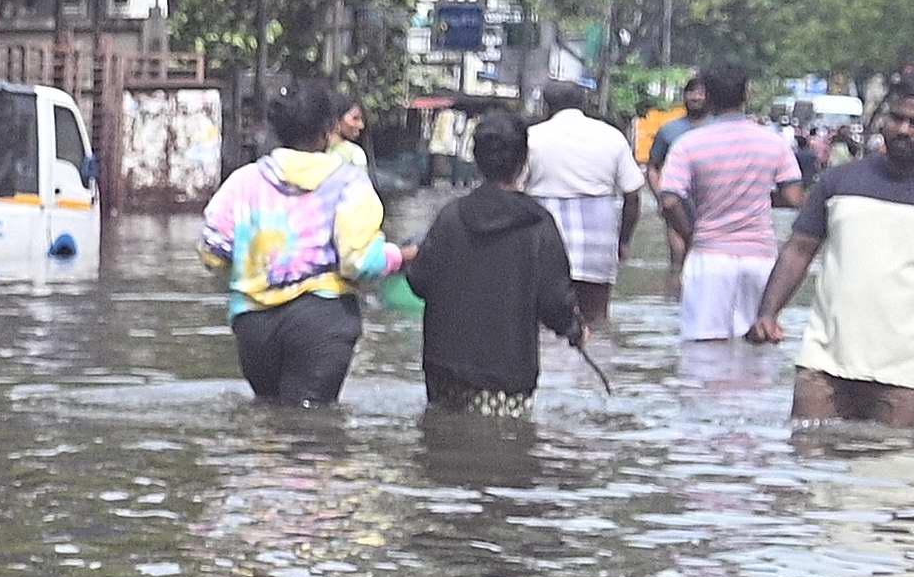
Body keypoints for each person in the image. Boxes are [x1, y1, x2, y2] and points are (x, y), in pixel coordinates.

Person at [748, 72, 914, 426]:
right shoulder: (838, 182)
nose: (903, 130)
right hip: (824, 362)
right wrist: (768, 313)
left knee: (898, 469)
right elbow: (799, 249)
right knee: (809, 467)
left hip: (907, 372)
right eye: (896, 118)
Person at [199, 79, 398, 406]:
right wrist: (397, 256)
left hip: (253, 325)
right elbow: (359, 262)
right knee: (311, 429)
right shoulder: (348, 182)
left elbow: (212, 251)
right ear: (329, 129)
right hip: (322, 322)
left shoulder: (244, 180)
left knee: (269, 418)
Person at [400, 112, 587, 412]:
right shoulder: (538, 224)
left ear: (476, 159)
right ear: (524, 160)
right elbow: (555, 301)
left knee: (443, 446)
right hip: (509, 374)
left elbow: (420, 280)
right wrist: (574, 330)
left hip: (445, 370)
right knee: (507, 448)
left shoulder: (451, 217)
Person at [653, 63, 796, 347]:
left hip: (710, 257)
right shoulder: (773, 142)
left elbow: (669, 200)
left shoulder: (689, 144)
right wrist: (756, 195)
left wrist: (692, 237)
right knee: (757, 343)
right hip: (761, 258)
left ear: (707, 96)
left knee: (705, 347)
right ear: (747, 95)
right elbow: (793, 197)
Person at [520, 80, 640, 342]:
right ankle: (590, 378)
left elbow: (515, 193)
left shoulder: (532, 138)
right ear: (583, 104)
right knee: (596, 318)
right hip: (597, 241)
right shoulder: (611, 137)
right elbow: (632, 195)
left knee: (543, 322)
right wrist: (624, 241)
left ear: (546, 106)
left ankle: (553, 378)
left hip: (545, 240)